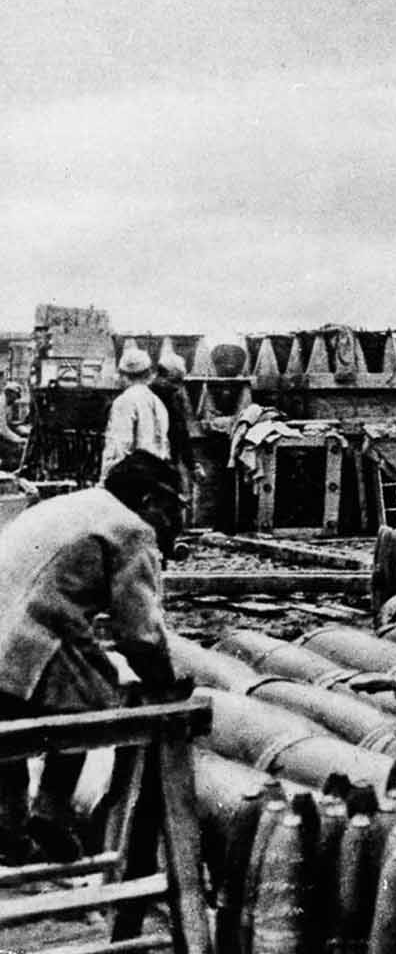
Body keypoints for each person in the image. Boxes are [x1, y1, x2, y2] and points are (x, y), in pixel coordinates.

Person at [0, 450, 185, 863]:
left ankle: (11, 834)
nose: (171, 522)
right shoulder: (131, 528)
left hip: (10, 631)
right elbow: (139, 633)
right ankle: (49, 814)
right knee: (90, 694)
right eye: (170, 509)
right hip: (25, 639)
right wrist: (165, 686)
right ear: (148, 501)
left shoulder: (72, 505)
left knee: (9, 731)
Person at [100, 348, 170, 482]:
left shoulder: (125, 401)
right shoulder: (157, 402)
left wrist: (105, 480)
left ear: (124, 375)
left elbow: (119, 446)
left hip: (131, 479)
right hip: (155, 478)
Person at [150, 353, 199, 508]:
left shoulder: (165, 394)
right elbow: (179, 432)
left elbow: (180, 431)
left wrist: (191, 464)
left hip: (162, 458)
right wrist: (191, 464)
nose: (177, 387)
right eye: (175, 381)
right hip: (160, 459)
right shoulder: (163, 396)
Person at [0, 383, 25, 472]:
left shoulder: (6, 404)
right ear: (9, 393)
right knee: (14, 452)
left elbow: (9, 423)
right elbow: (2, 429)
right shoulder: (1, 404)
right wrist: (18, 439)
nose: (16, 399)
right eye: (16, 396)